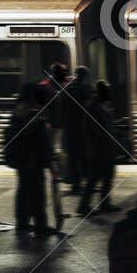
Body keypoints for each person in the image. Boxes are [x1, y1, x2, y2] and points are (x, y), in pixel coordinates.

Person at [3, 83, 57, 236]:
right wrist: (49, 159)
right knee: (37, 193)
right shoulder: (33, 113)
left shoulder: (17, 109)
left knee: (24, 191)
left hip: (22, 159)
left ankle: (22, 222)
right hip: (33, 160)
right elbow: (40, 141)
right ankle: (40, 226)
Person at [78, 80, 126, 216]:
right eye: (107, 91)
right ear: (102, 92)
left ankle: (103, 203)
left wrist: (117, 123)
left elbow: (105, 124)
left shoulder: (98, 105)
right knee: (95, 178)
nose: (109, 95)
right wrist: (108, 137)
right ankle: (84, 206)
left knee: (106, 176)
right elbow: (96, 129)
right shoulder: (93, 107)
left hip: (104, 148)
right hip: (99, 149)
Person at [62, 65, 95, 195]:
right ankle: (84, 184)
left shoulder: (68, 89)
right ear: (85, 76)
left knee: (73, 158)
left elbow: (63, 110)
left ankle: (76, 184)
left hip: (70, 129)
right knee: (84, 157)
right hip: (82, 129)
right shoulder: (85, 90)